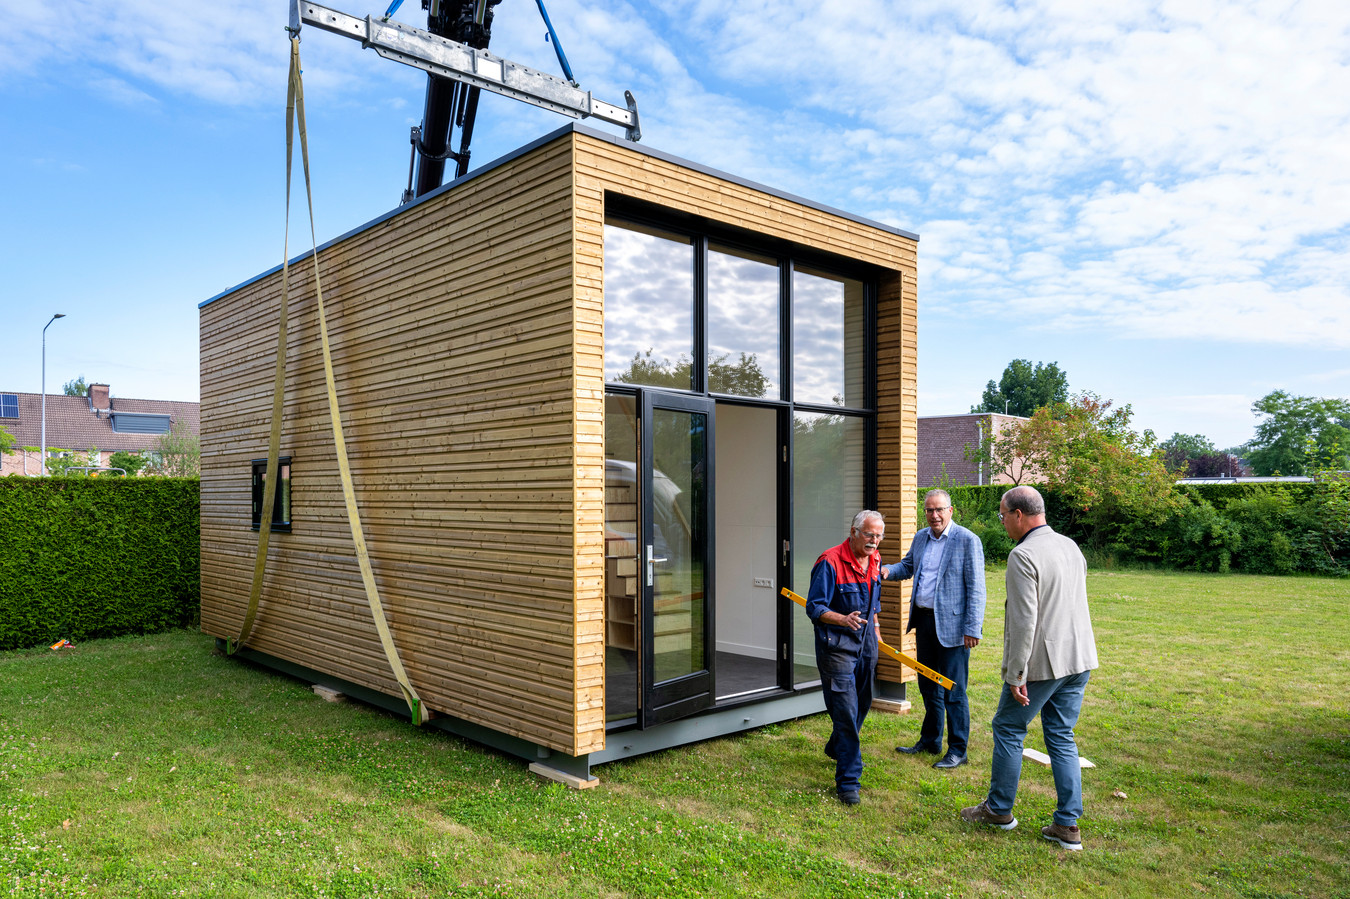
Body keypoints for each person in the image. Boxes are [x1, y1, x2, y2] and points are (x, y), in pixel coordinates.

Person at [960, 485, 1099, 851]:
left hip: (1044, 664)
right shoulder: (1070, 545)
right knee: (1061, 735)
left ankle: (998, 810)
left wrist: (1016, 675)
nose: (1002, 522)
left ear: (1019, 515)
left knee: (1007, 726)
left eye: (1003, 515)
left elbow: (1024, 622)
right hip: (1079, 658)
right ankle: (1067, 825)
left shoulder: (1023, 555)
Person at [882, 489, 986, 770]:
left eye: (939, 510)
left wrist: (972, 627)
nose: (934, 515)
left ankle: (958, 750)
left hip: (953, 628)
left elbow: (977, 588)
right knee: (928, 685)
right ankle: (930, 740)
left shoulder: (967, 541)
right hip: (924, 622)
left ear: (951, 511)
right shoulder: (921, 537)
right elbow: (907, 566)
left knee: (953, 690)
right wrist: (887, 571)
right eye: (929, 510)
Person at [805, 510, 885, 806]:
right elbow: (814, 608)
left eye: (878, 536)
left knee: (864, 701)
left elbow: (873, 603)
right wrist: (842, 619)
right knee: (845, 710)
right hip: (836, 645)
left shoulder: (874, 559)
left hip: (865, 644)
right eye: (869, 534)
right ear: (853, 532)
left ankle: (838, 744)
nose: (874, 541)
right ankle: (849, 781)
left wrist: (875, 629)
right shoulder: (829, 562)